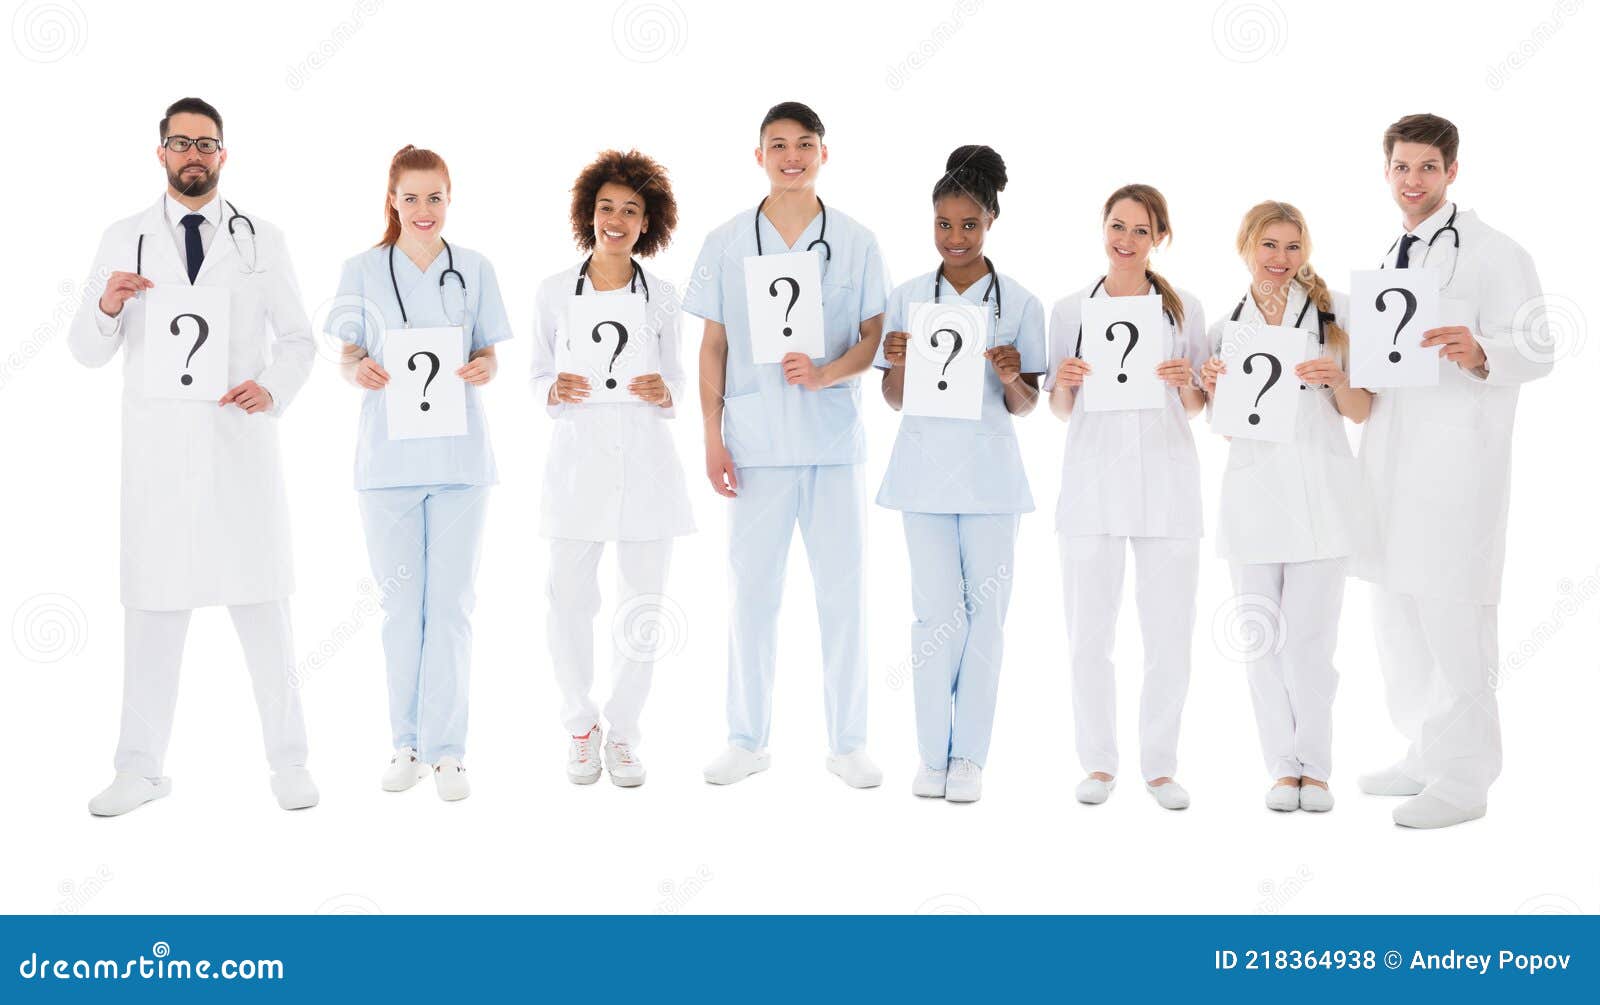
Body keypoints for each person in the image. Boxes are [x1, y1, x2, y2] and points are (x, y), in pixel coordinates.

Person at [69, 97, 318, 815]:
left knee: (264, 612)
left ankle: (289, 761)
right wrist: (108, 307)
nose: (194, 154)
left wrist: (269, 390)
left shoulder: (260, 239)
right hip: (159, 462)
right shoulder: (124, 238)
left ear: (223, 156)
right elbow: (86, 353)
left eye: (206, 144)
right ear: (161, 154)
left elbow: (300, 340)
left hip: (239, 448)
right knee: (152, 614)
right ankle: (139, 767)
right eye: (181, 142)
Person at [1353, 113, 1552, 829]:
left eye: (1427, 168)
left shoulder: (1496, 252)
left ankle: (1464, 779)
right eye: (1402, 167)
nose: (1413, 181)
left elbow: (1541, 346)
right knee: (1397, 615)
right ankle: (1423, 750)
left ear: (1452, 172)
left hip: (1457, 469)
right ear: (1387, 172)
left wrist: (1480, 352)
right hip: (1391, 462)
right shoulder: (1393, 254)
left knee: (1453, 618)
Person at [685, 101, 890, 788]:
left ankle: (849, 741)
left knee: (843, 594)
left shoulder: (857, 241)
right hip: (754, 445)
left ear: (824, 154)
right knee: (752, 595)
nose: (792, 155)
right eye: (778, 145)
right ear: (759, 156)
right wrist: (711, 436)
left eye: (805, 144)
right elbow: (712, 344)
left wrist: (827, 371)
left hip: (830, 442)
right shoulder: (725, 241)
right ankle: (746, 739)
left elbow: (874, 339)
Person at [329, 145, 512, 802]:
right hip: (389, 466)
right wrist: (360, 371)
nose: (423, 209)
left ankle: (449, 750)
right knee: (402, 608)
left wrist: (485, 368)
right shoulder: (362, 269)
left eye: (435, 196)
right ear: (392, 199)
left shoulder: (476, 268)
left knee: (453, 607)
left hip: (460, 463)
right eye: (411, 196)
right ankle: (405, 741)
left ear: (449, 198)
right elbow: (347, 357)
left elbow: (488, 351)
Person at [876, 146, 1043, 803]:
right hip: (922, 476)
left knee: (985, 618)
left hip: (991, 480)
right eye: (943, 224)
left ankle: (969, 755)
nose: (955, 237)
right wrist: (895, 364)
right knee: (932, 616)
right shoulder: (908, 298)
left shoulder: (1021, 302)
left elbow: (1026, 404)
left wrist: (1009, 376)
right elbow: (893, 398)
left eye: (968, 224)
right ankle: (931, 753)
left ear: (991, 221)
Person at [1199, 201, 1372, 813]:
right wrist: (1216, 388)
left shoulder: (1338, 316)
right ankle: (1281, 767)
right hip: (1252, 501)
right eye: (1268, 246)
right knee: (1259, 641)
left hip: (1322, 499)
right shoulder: (1225, 329)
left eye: (1292, 247)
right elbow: (1228, 431)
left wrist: (1335, 380)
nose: (1280, 259)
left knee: (1310, 644)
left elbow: (1362, 411)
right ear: (1246, 246)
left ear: (1307, 251)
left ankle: (1316, 769)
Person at [530, 150, 694, 788]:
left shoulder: (664, 297)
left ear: (648, 221)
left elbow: (680, 378)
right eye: (606, 209)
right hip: (578, 467)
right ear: (588, 215)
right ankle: (580, 724)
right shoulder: (552, 293)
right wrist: (553, 389)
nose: (616, 220)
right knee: (567, 600)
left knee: (643, 608)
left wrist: (664, 391)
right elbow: (535, 376)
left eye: (631, 210)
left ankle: (623, 732)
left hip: (647, 468)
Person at [1044, 184, 1207, 810]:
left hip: (1166, 484)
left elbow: (1195, 408)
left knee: (1168, 634)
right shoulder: (1069, 311)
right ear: (1102, 228)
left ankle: (1161, 766)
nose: (1127, 239)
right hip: (1091, 486)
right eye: (1119, 226)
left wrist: (1186, 382)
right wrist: (1065, 382)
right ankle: (1100, 764)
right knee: (1089, 634)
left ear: (1159, 237)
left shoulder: (1184, 309)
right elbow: (1061, 411)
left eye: (1142, 230)